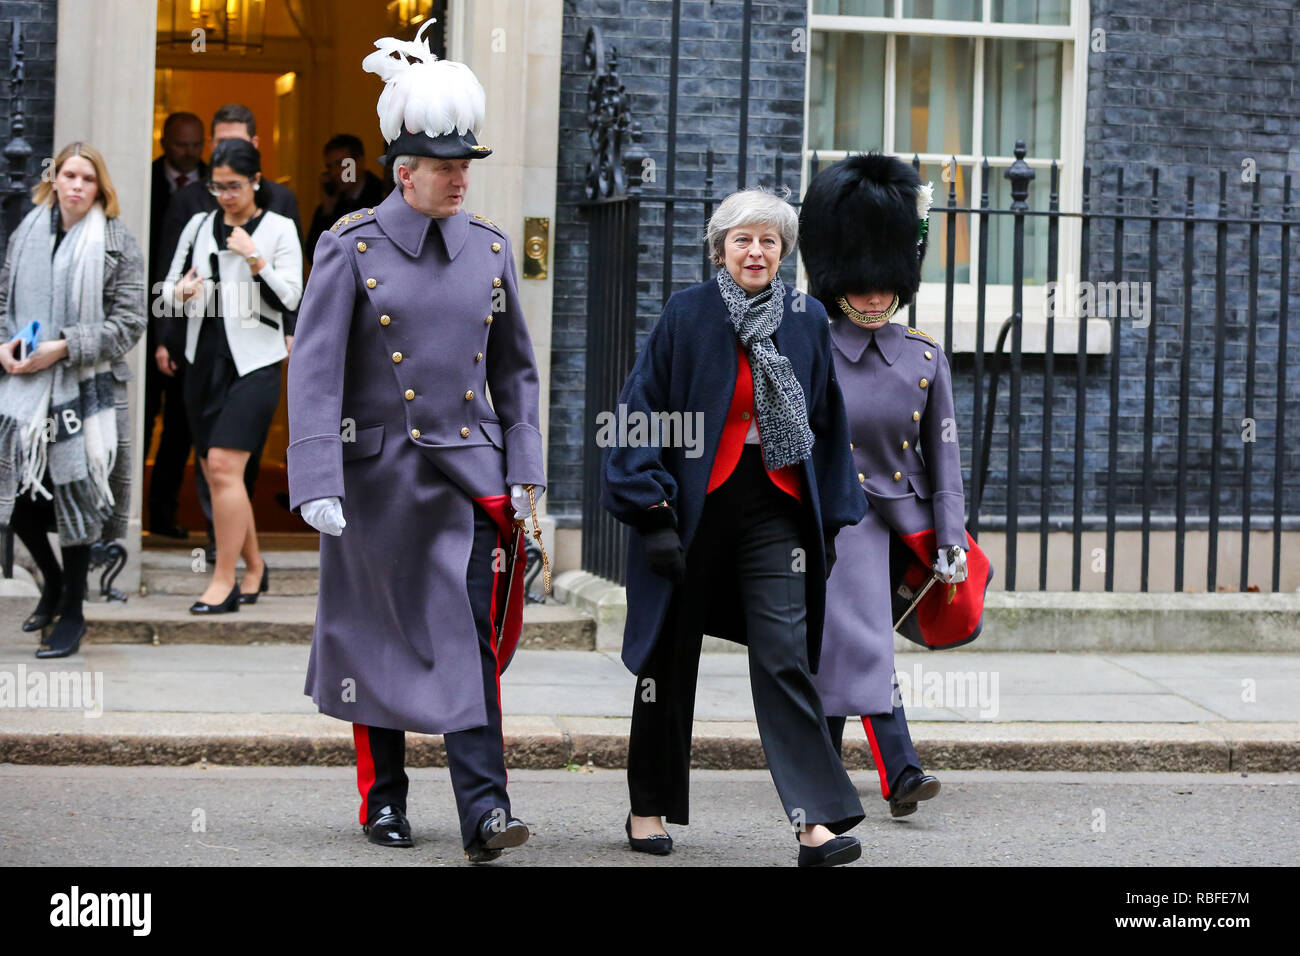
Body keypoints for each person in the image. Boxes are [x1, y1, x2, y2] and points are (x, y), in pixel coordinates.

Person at [287, 22, 545, 864]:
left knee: (466, 637)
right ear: (405, 173)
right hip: (373, 482)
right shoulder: (349, 246)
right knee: (375, 638)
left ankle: (485, 811)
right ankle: (383, 799)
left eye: (467, 163)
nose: (462, 176)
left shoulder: (492, 250)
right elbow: (315, 371)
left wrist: (528, 478)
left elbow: (518, 378)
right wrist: (316, 473)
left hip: (469, 480)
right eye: (446, 165)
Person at [601, 187, 869, 867]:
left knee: (785, 654)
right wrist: (652, 511)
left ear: (784, 252)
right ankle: (646, 806)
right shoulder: (688, 314)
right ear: (720, 248)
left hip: (772, 508)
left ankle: (816, 824)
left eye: (769, 241)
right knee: (667, 658)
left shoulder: (807, 319)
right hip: (690, 511)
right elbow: (640, 415)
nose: (756, 251)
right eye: (743, 240)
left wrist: (831, 523)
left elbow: (830, 425)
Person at [798, 152, 994, 817]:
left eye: (887, 283)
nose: (876, 296)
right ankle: (901, 771)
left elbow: (944, 459)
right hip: (842, 522)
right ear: (838, 279)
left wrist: (950, 540)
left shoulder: (923, 356)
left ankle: (818, 766)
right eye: (863, 283)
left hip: (905, 528)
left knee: (848, 645)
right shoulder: (812, 350)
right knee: (860, 639)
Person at [0, 142, 146, 658]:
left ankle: (75, 612)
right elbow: (3, 302)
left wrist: (64, 346)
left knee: (77, 496)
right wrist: (6, 345)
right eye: (69, 175)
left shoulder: (115, 241)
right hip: (23, 391)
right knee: (16, 494)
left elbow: (130, 324)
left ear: (99, 186)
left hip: (86, 393)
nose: (77, 185)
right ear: (55, 179)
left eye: (87, 178)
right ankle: (56, 583)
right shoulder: (27, 234)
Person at [161, 138, 303, 613]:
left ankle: (223, 581)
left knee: (223, 466)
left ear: (256, 182)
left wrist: (254, 256)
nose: (224, 195)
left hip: (256, 363)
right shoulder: (200, 224)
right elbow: (165, 292)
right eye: (217, 186)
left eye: (234, 186)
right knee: (217, 473)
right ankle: (256, 565)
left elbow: (293, 298)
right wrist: (179, 292)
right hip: (204, 360)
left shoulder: (279, 228)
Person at [145, 111, 208, 539]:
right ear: (165, 141)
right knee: (145, 415)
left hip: (197, 321)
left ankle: (167, 517)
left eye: (194, 145)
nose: (188, 153)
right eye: (180, 145)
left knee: (183, 427)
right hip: (149, 317)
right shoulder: (142, 179)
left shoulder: (213, 185)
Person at [304, 134, 386, 266]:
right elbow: (313, 255)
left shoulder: (382, 197)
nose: (335, 173)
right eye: (329, 167)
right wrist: (327, 210)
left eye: (341, 164)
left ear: (359, 162)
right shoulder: (333, 203)